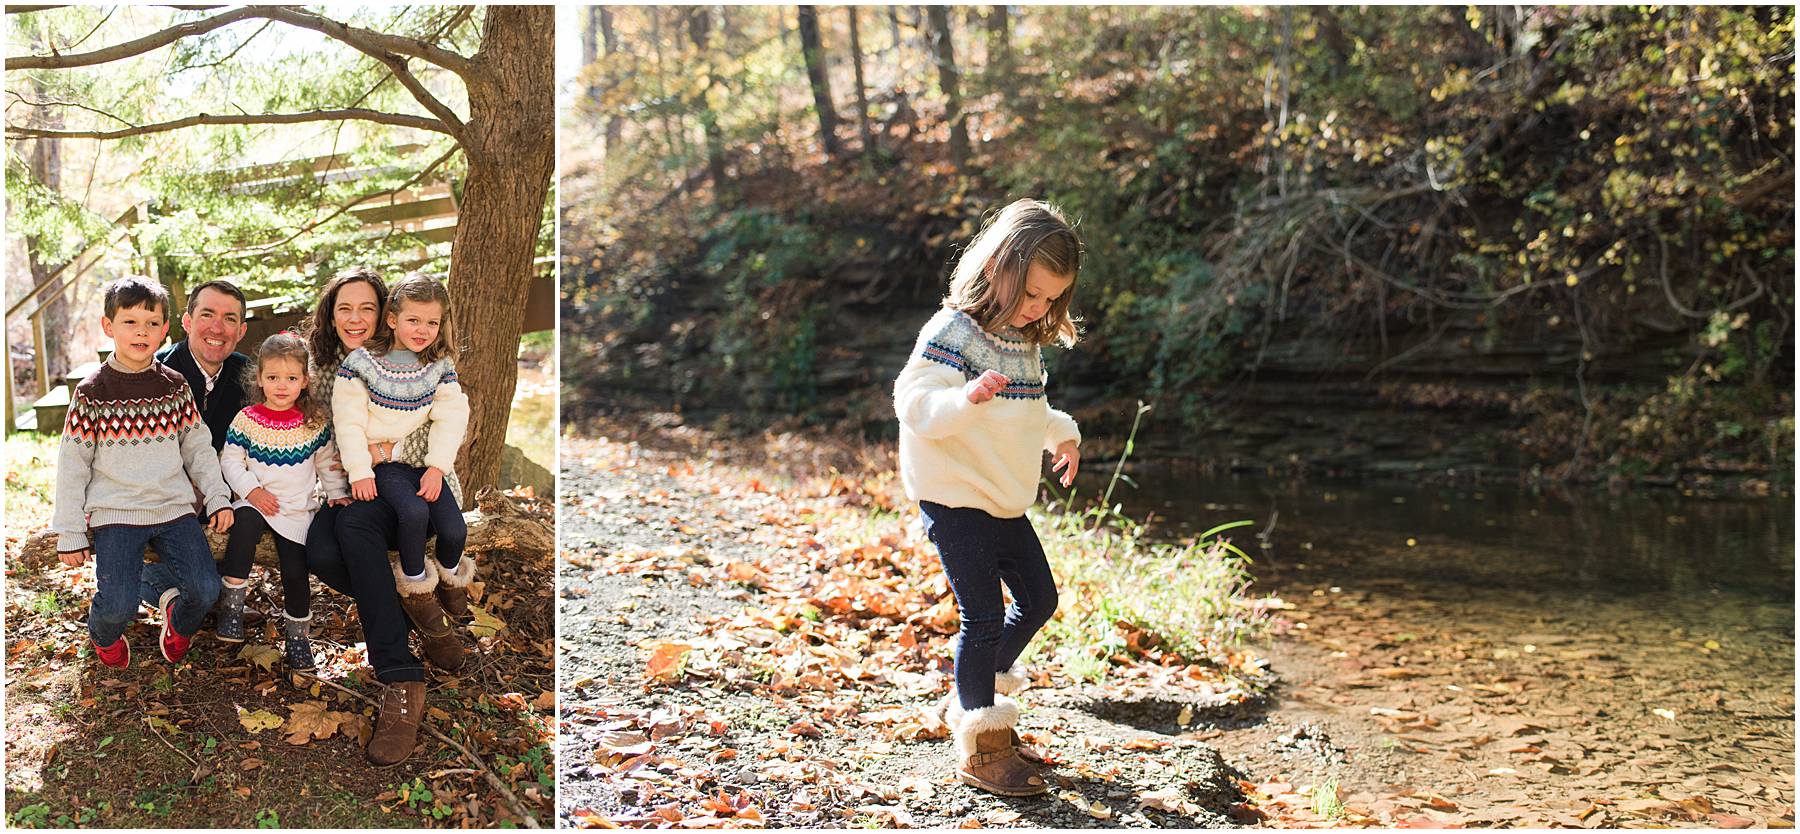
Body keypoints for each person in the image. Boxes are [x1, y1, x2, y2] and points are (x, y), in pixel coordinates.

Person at [892, 199, 1085, 797]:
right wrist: (965, 400)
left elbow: (1032, 412)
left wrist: (1064, 435)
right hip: (954, 496)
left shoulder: (1023, 345)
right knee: (980, 617)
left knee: (1039, 600)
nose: (1039, 308)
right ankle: (981, 748)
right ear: (998, 267)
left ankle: (975, 695)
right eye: (1032, 293)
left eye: (1052, 299)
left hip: (1003, 497)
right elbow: (915, 403)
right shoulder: (952, 333)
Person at [302, 266, 467, 767]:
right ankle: (422, 617)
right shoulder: (317, 366)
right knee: (322, 550)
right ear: (330, 313)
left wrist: (388, 447)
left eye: (367, 308)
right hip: (348, 485)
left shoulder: (420, 359)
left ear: (386, 316)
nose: (355, 318)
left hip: (415, 485)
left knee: (355, 532)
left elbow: (446, 421)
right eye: (344, 307)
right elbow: (312, 431)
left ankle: (400, 676)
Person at [53, 276, 235, 668]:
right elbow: (72, 464)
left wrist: (219, 496)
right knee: (117, 606)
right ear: (108, 327)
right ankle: (102, 633)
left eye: (152, 324)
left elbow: (198, 447)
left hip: (173, 510)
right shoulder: (92, 392)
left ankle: (179, 624)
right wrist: (69, 530)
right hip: (116, 514)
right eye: (130, 322)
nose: (142, 332)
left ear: (166, 329)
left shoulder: (173, 386)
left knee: (205, 591)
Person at [330, 273, 471, 621]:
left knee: (454, 530)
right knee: (413, 512)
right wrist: (360, 472)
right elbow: (348, 422)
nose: (422, 330)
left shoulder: (439, 365)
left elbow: (451, 417)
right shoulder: (361, 364)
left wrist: (437, 467)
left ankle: (451, 582)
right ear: (392, 320)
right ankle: (416, 587)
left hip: (426, 464)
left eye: (432, 322)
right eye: (413, 320)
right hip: (385, 466)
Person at [216, 332, 350, 670]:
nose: (281, 385)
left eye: (291, 378)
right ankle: (231, 608)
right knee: (244, 528)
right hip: (255, 499)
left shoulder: (312, 422)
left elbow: (326, 463)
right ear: (260, 378)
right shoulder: (247, 419)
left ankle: (298, 637)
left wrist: (337, 494)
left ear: (304, 381)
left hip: (294, 507)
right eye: (273, 377)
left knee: (295, 570)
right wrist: (252, 491)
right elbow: (230, 460)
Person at [156, 280, 251, 453]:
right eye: (207, 315)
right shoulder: (155, 374)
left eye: (229, 319)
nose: (217, 329)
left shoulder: (250, 376)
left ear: (241, 331)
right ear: (188, 322)